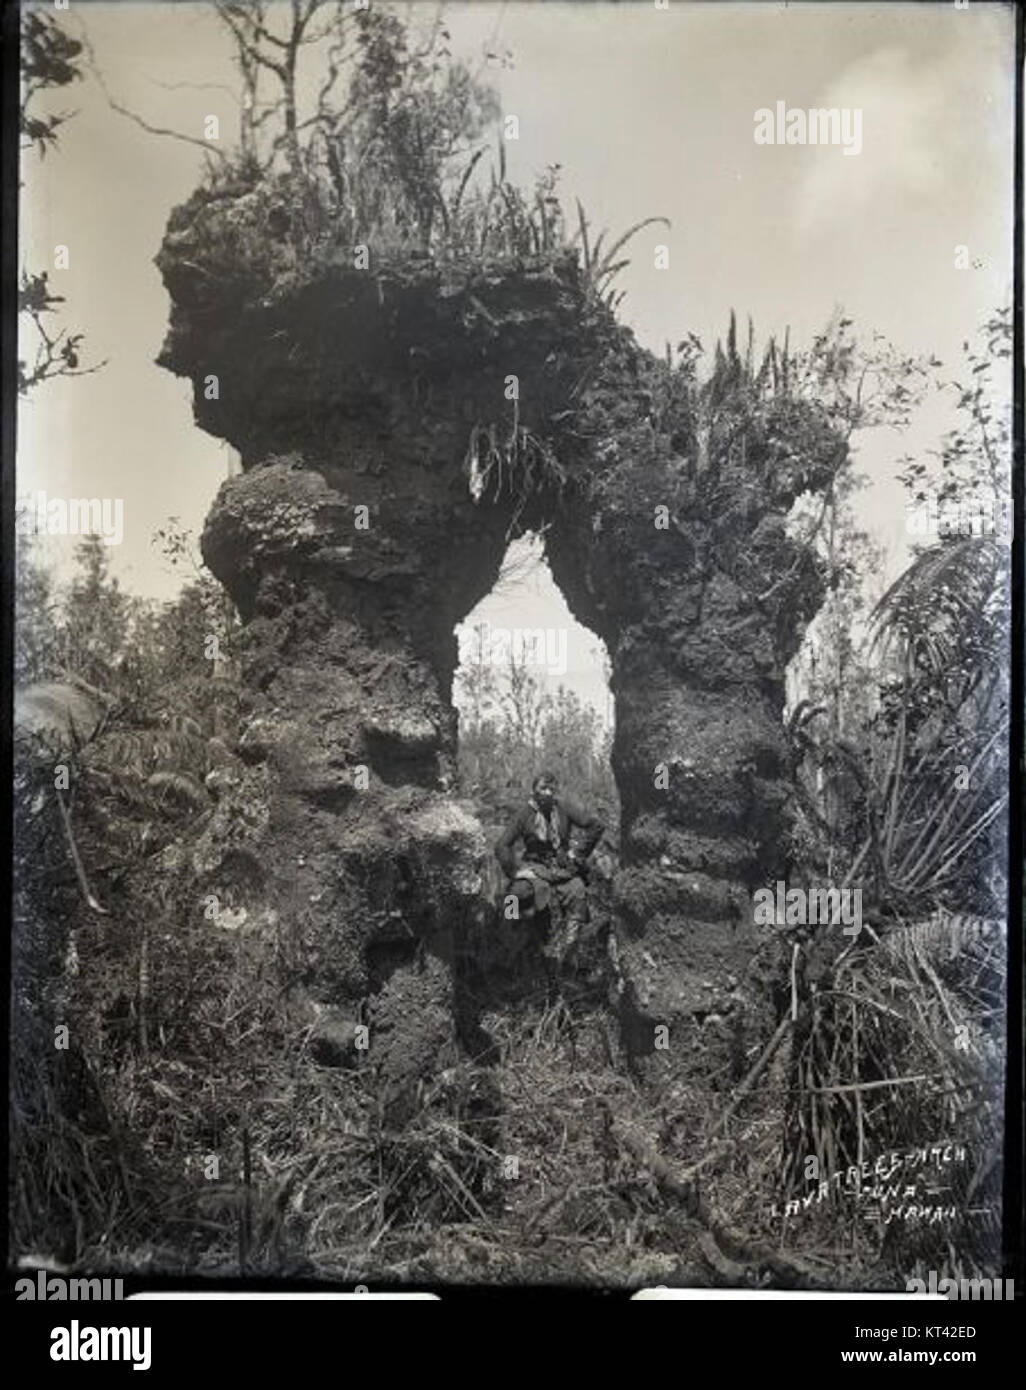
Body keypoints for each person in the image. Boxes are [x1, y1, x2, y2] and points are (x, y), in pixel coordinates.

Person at [494, 771, 604, 947]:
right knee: (514, 894)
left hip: (562, 867)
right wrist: (514, 871)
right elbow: (502, 845)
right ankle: (505, 936)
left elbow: (596, 826)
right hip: (535, 867)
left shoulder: (564, 807)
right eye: (543, 788)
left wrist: (577, 852)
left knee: (577, 892)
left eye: (551, 789)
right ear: (534, 791)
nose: (547, 793)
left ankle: (571, 951)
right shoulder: (525, 814)